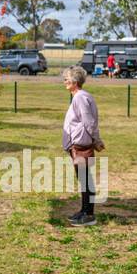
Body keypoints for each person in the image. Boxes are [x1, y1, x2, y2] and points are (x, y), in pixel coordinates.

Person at [61, 66, 104, 226]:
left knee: (86, 180)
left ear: (75, 81)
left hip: (81, 145)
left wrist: (97, 140)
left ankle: (89, 214)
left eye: (67, 79)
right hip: (78, 144)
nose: (65, 82)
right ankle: (84, 210)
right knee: (84, 179)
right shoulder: (79, 96)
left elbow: (89, 122)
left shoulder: (80, 97)